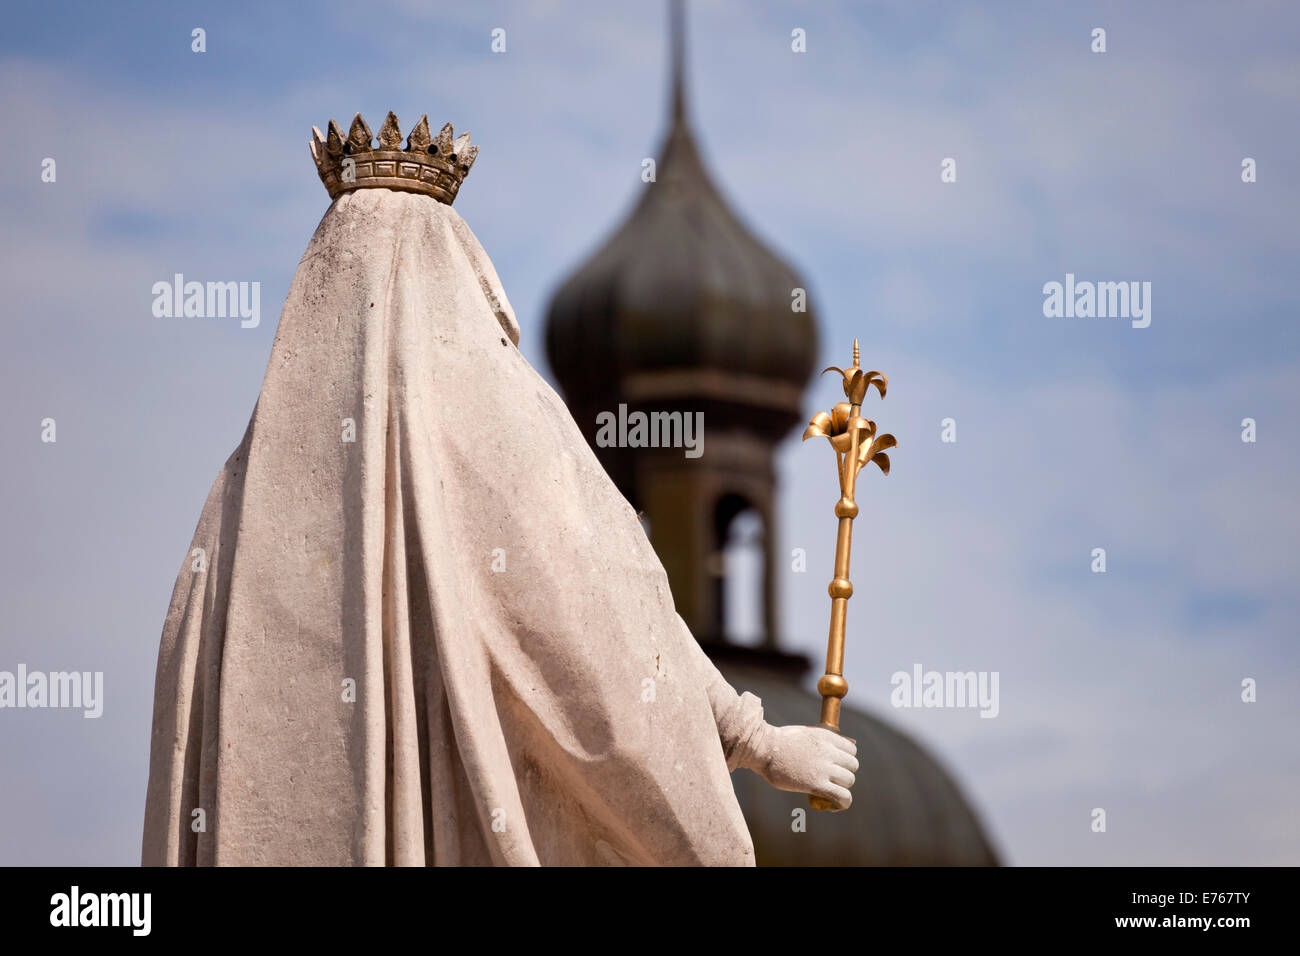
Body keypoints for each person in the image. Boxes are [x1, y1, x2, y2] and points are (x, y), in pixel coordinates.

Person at [142, 113, 857, 866]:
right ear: (460, 271)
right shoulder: (497, 438)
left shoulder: (225, 530)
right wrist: (755, 742)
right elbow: (601, 649)